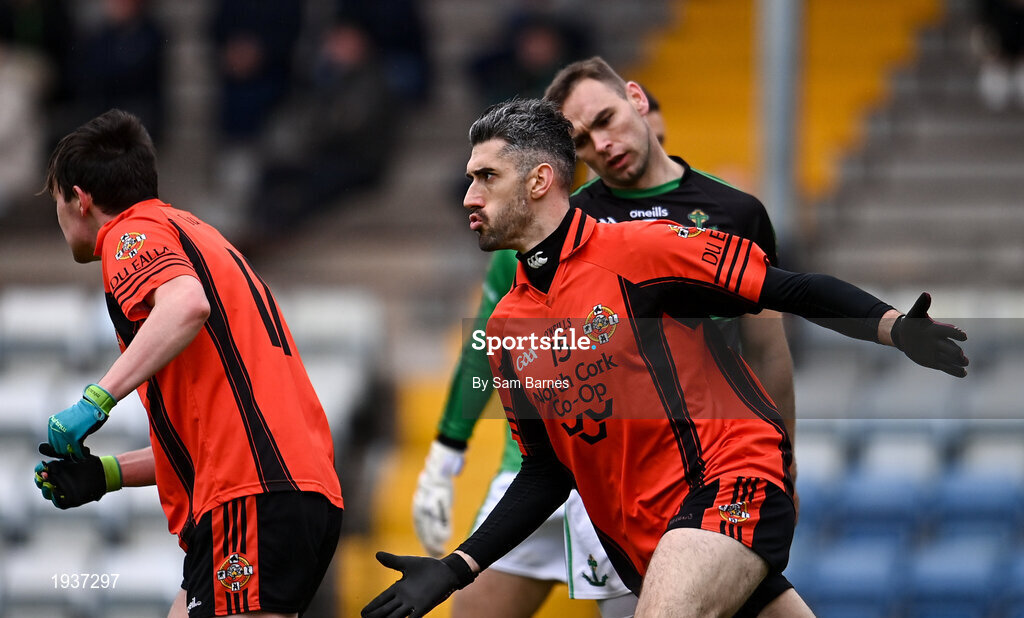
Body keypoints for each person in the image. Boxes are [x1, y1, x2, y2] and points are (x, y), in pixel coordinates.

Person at [365, 98, 968, 618]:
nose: (469, 196)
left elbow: (789, 289)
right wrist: (457, 568)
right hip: (649, 540)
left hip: (731, 480)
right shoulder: (507, 326)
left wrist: (893, 327)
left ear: (540, 180)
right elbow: (548, 473)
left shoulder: (644, 250)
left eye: (485, 177)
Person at [413, 58, 797, 617]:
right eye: (582, 138)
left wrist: (787, 456)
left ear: (641, 106)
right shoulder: (543, 223)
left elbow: (768, 346)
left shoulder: (729, 213)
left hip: (681, 467)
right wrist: (448, 451)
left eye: (608, 120)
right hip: (553, 469)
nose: (603, 144)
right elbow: (490, 344)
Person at [32, 109, 344, 618]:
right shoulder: (193, 231)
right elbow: (216, 432)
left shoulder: (130, 236)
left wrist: (97, 400)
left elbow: (185, 304)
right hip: (279, 491)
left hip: (252, 498)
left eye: (57, 202)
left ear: (80, 199)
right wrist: (107, 474)